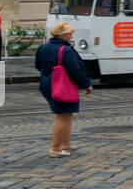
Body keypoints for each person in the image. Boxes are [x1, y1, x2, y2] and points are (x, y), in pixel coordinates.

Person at [35, 22, 92, 157]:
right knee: (63, 117)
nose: (71, 36)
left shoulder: (43, 48)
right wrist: (86, 84)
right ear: (63, 35)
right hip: (62, 86)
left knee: (65, 115)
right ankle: (55, 148)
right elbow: (75, 70)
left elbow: (38, 66)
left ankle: (65, 144)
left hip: (46, 84)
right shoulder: (65, 50)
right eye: (70, 33)